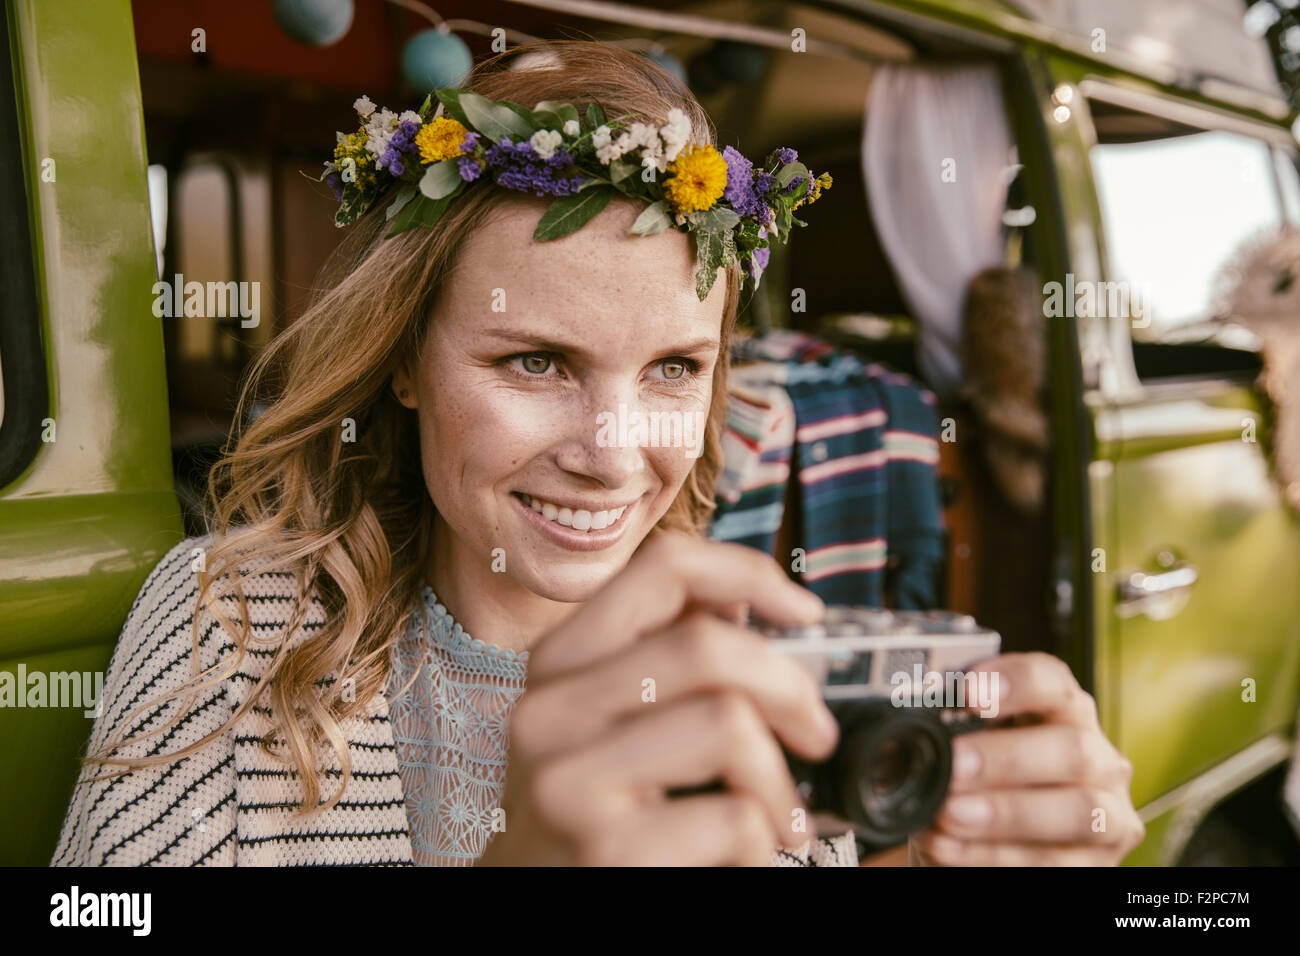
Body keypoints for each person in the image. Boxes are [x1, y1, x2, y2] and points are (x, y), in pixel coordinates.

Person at [51, 39, 1142, 867]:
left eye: (673, 367)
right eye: (535, 363)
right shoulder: (226, 624)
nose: (615, 457)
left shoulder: (756, 669)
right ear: (400, 363)